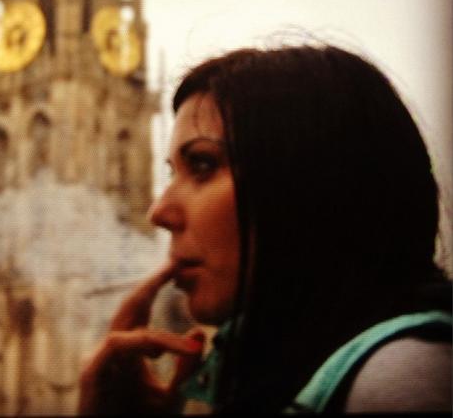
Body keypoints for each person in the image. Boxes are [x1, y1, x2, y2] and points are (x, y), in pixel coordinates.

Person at [78, 44, 452, 414]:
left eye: (203, 165)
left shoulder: (398, 382)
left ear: (305, 182)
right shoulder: (281, 371)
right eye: (173, 172)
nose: (159, 212)